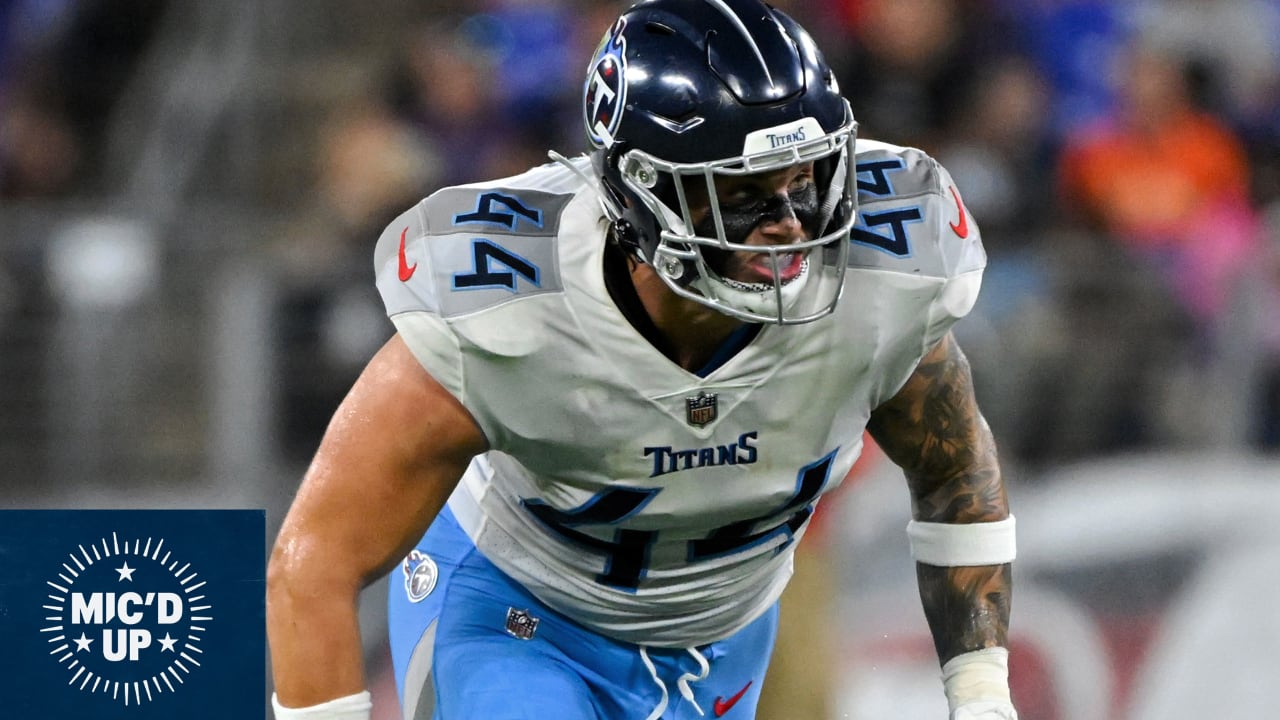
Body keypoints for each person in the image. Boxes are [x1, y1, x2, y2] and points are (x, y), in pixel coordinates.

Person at [266, 1, 1018, 719]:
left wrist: (982, 694)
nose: (791, 226)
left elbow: (955, 474)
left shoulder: (882, 278)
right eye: (744, 196)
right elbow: (316, 558)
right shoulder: (512, 304)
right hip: (521, 616)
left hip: (722, 639)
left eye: (808, 181)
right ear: (642, 194)